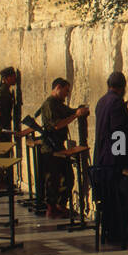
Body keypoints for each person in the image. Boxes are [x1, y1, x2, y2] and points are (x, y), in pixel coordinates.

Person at [93, 72, 128, 245]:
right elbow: (118, 133)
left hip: (102, 160)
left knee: (108, 201)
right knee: (117, 200)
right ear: (122, 87)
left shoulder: (101, 102)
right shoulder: (116, 104)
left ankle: (109, 232)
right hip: (112, 162)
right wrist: (121, 161)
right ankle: (116, 234)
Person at [38, 78, 89, 218]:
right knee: (52, 180)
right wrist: (75, 115)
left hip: (59, 146)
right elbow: (56, 125)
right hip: (50, 148)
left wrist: (79, 110)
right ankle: (51, 208)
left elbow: (69, 112)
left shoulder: (58, 104)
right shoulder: (49, 104)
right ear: (58, 87)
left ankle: (60, 205)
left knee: (67, 176)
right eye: (66, 91)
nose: (67, 94)